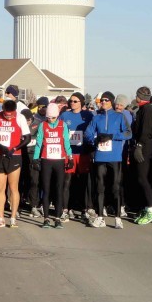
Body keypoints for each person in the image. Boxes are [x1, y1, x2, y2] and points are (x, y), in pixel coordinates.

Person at [85, 91, 130, 228]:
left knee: (115, 187)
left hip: (115, 157)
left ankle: (117, 218)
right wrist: (95, 139)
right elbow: (88, 133)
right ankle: (100, 217)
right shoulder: (96, 118)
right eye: (101, 100)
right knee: (100, 187)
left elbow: (128, 133)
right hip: (100, 157)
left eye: (106, 100)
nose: (103, 102)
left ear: (111, 102)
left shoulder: (119, 116)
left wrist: (112, 136)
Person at [0, 99, 31, 228]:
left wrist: (15, 148)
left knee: (13, 187)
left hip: (14, 156)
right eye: (6, 114)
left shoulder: (20, 117)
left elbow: (27, 137)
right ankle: (0, 218)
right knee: (0, 188)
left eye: (11, 114)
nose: (8, 116)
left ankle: (13, 217)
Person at [33, 103, 72, 228]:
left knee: (59, 189)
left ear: (57, 116)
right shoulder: (43, 125)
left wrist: (70, 157)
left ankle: (57, 218)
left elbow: (66, 141)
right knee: (46, 189)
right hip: (46, 160)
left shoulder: (63, 125)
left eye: (53, 118)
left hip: (59, 160)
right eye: (48, 117)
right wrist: (35, 158)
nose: (50, 120)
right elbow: (39, 142)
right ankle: (46, 218)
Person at [60, 92, 94, 223]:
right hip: (69, 153)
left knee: (84, 182)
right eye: (71, 101)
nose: (72, 103)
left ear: (81, 102)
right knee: (67, 181)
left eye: (75, 101)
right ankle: (65, 209)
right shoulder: (65, 115)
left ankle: (85, 209)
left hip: (83, 153)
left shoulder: (88, 115)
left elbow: (92, 131)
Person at [130, 86, 152, 225]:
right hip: (142, 145)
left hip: (145, 147)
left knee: (143, 178)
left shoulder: (148, 109)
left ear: (140, 97)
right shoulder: (142, 109)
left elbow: (146, 131)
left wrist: (140, 146)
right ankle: (146, 206)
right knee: (140, 177)